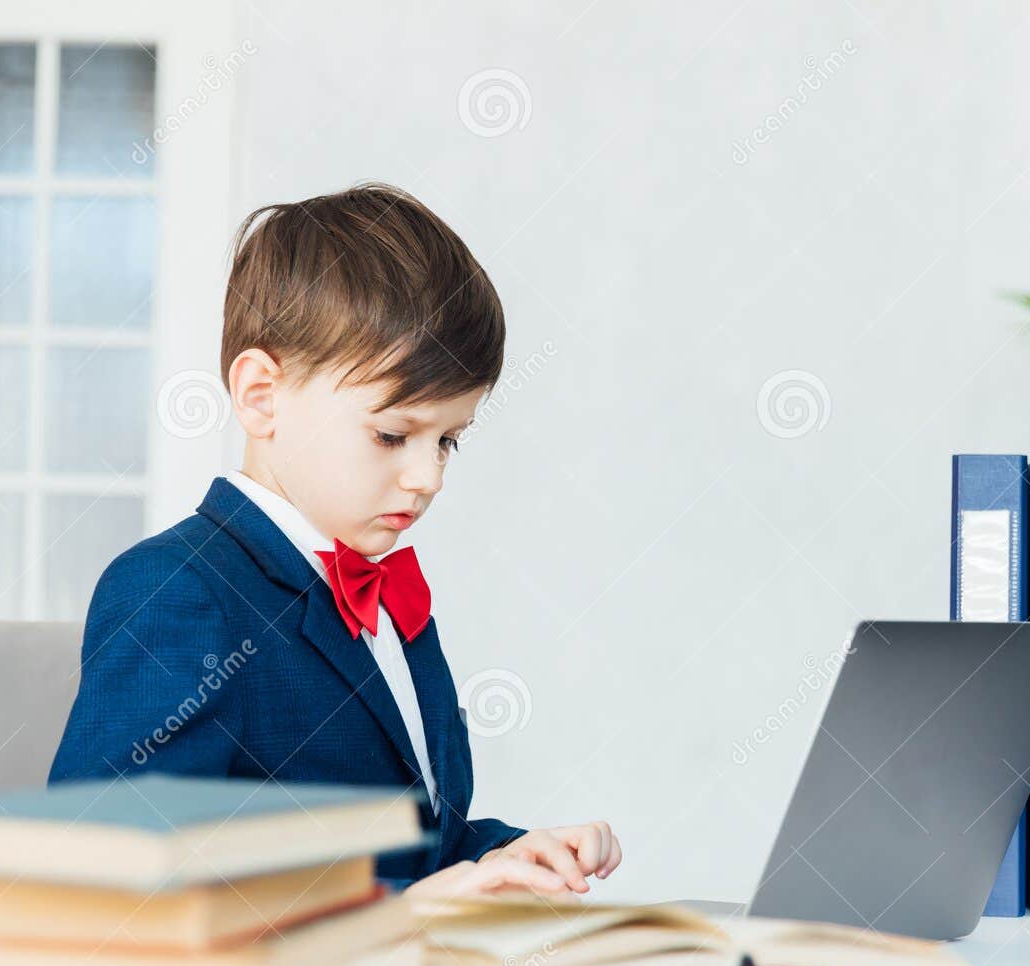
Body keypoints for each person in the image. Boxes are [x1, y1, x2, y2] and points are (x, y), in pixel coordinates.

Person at [49, 184, 619, 899]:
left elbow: (414, 849)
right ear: (262, 396)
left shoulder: (385, 593)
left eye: (448, 441)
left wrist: (505, 856)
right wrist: (399, 916)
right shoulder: (178, 593)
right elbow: (112, 882)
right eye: (392, 435)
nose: (427, 476)